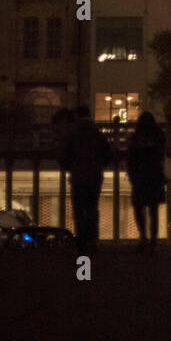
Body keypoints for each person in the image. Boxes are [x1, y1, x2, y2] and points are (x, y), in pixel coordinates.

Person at [62, 105, 112, 251]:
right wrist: (100, 165)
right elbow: (107, 152)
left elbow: (64, 154)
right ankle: (93, 239)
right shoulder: (96, 132)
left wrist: (71, 167)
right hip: (95, 173)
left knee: (79, 208)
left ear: (77, 115)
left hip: (78, 174)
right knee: (92, 208)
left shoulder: (73, 133)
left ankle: (81, 240)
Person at [126, 111, 166, 251]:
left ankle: (143, 237)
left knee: (139, 209)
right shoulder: (158, 137)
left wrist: (132, 176)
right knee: (153, 211)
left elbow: (130, 159)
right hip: (154, 177)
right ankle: (153, 240)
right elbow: (162, 156)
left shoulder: (135, 138)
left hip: (140, 177)